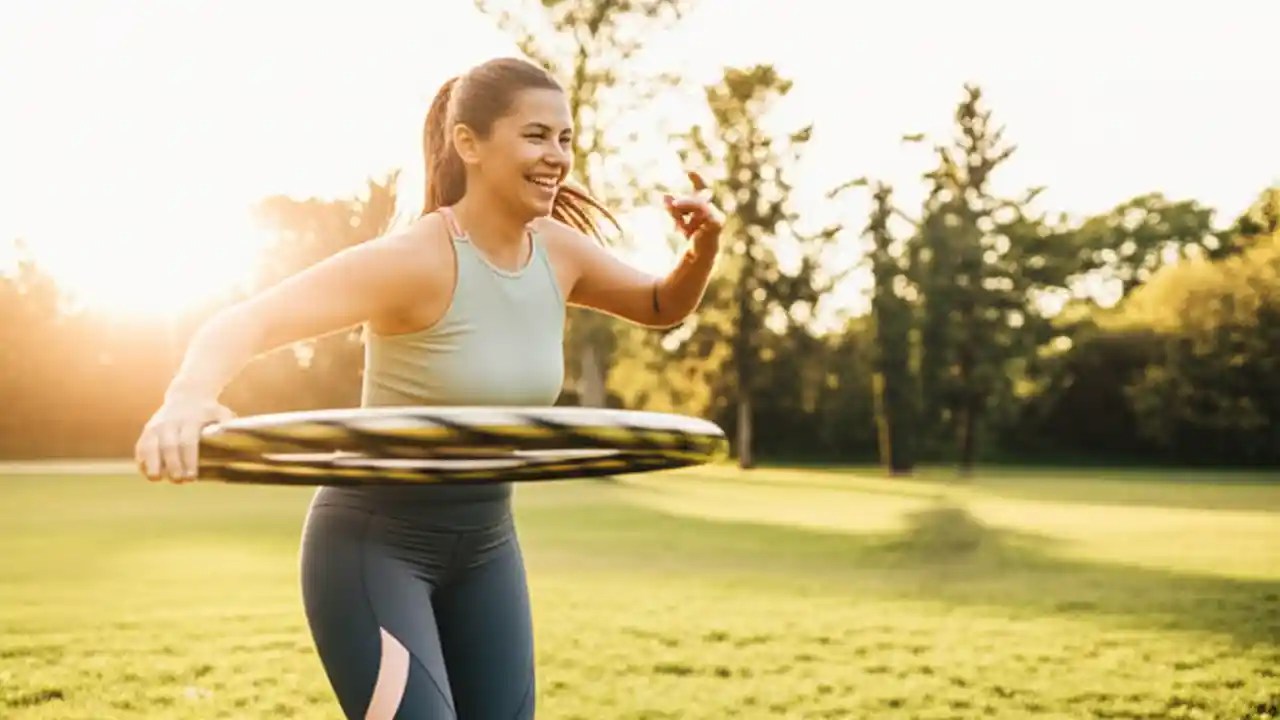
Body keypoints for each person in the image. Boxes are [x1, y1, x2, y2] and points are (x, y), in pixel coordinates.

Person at [133, 56, 723, 720]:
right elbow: (250, 319)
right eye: (535, 135)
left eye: (565, 138)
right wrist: (186, 398)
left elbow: (657, 305)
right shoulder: (416, 260)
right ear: (467, 143)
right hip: (372, 548)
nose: (557, 155)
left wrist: (700, 251)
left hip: (488, 548)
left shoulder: (559, 251)